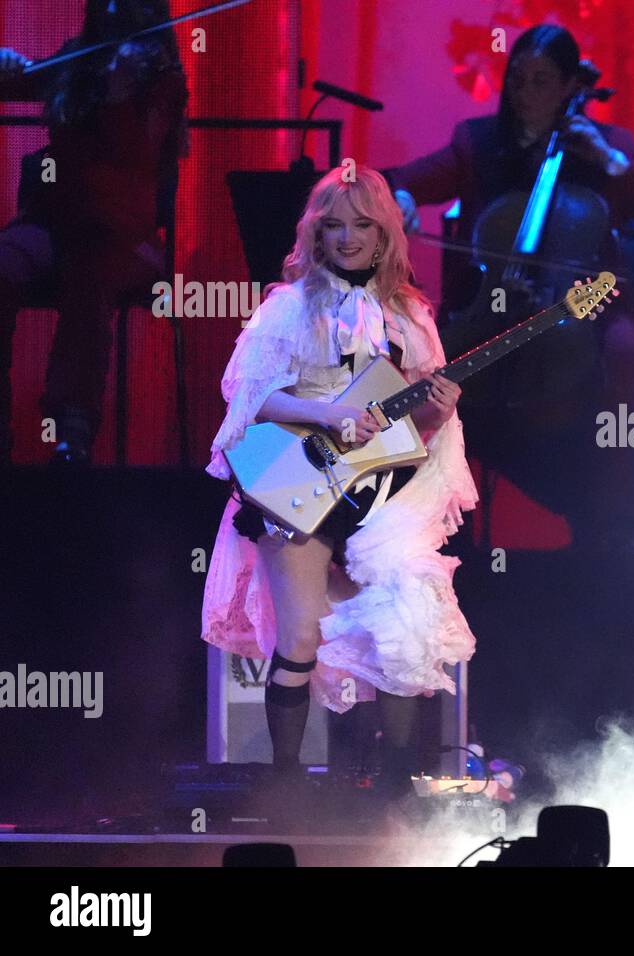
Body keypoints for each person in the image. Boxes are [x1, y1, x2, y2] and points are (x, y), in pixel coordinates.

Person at [200, 165, 478, 802]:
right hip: (297, 478)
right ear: (315, 235)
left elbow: (416, 426)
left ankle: (393, 788)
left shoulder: (409, 315)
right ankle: (286, 788)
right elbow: (250, 398)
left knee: (400, 622)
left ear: (385, 236)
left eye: (362, 226)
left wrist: (439, 405)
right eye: (334, 226)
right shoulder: (288, 308)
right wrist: (329, 413)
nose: (348, 238)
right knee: (299, 636)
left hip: (379, 489)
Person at [383, 23, 634, 548]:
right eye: (518, 80)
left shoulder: (609, 146)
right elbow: (395, 178)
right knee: (421, 362)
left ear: (570, 86)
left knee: (625, 352)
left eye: (542, 81)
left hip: (588, 306)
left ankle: (616, 516)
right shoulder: (477, 141)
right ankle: (416, 516)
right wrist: (401, 196)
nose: (525, 94)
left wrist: (612, 163)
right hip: (492, 304)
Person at [0, 0, 188, 464]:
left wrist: (121, 95)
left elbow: (137, 158)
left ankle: (73, 427)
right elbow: (27, 82)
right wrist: (9, 68)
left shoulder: (162, 79)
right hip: (56, 219)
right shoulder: (78, 59)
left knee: (89, 276)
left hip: (124, 234)